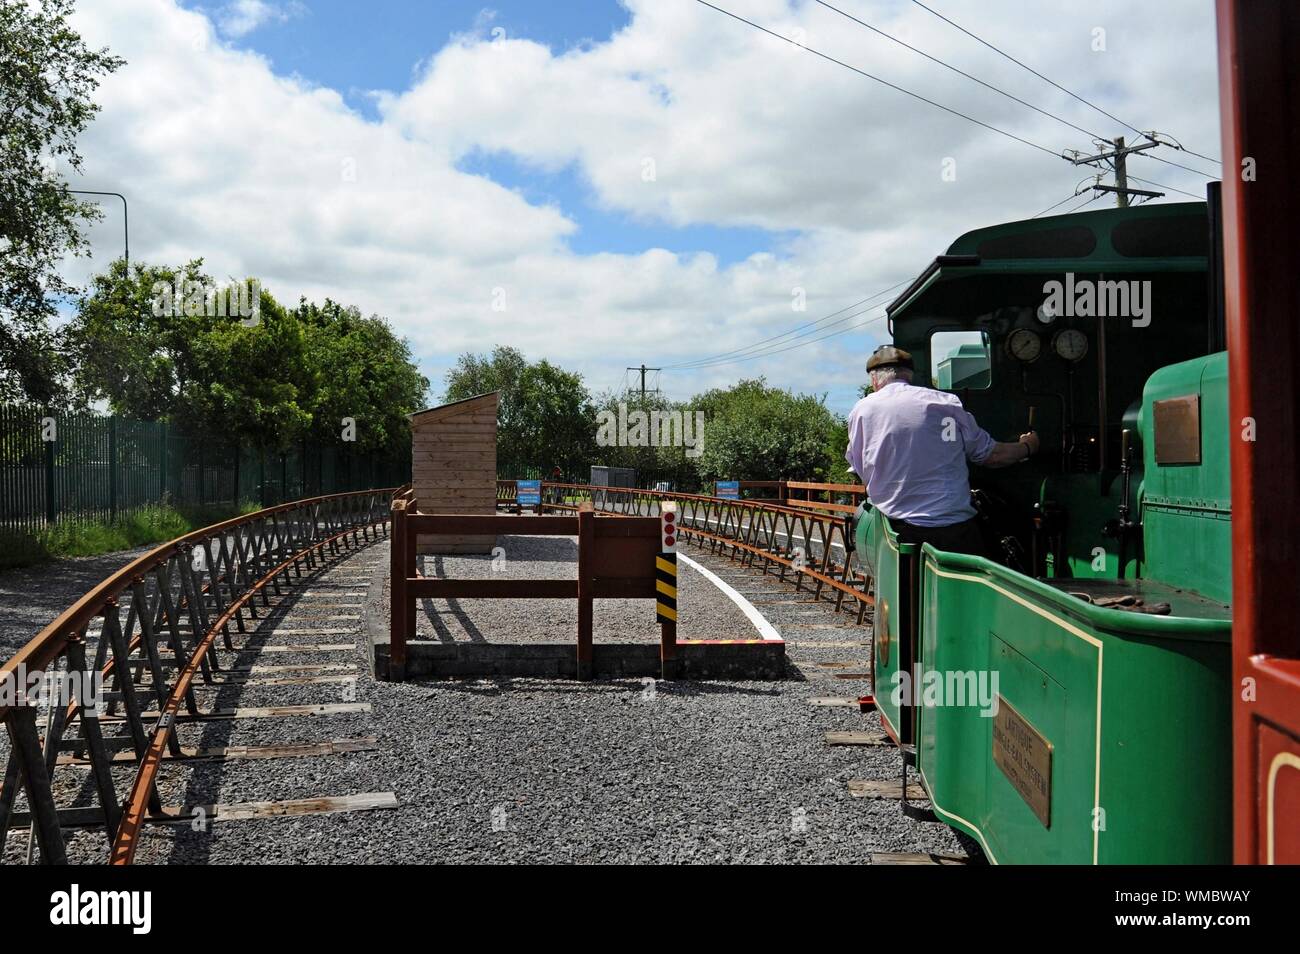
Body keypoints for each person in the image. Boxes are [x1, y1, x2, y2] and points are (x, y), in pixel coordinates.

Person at [844, 345, 1039, 556]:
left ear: (874, 379)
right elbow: (992, 456)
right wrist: (1027, 447)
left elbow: (860, 469)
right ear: (909, 375)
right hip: (955, 531)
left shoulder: (862, 411)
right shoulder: (945, 402)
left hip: (897, 532)